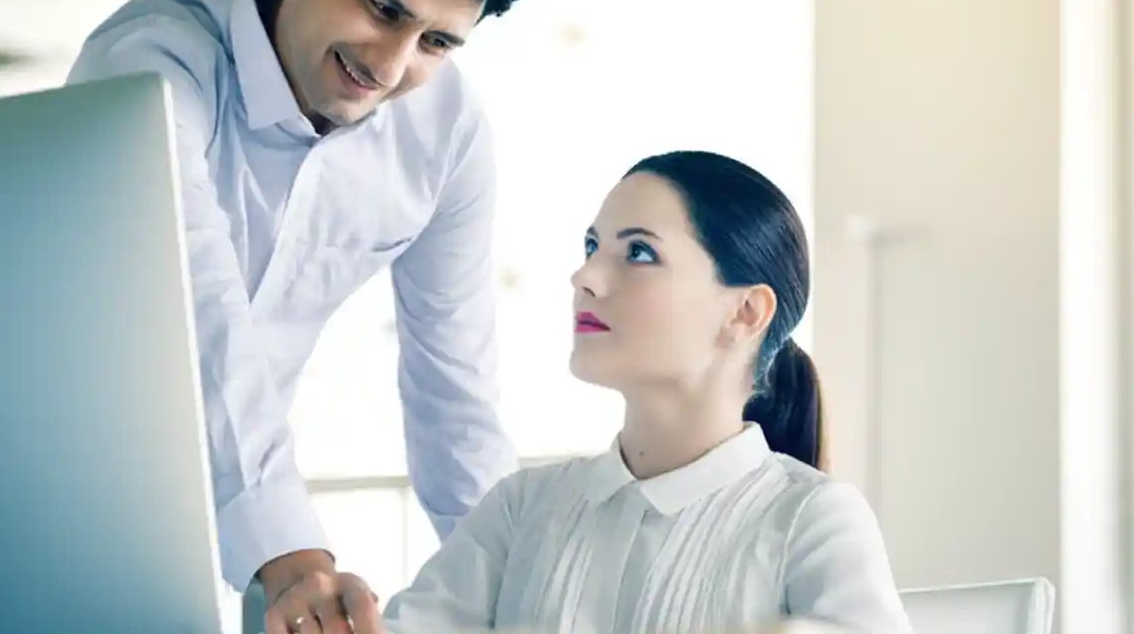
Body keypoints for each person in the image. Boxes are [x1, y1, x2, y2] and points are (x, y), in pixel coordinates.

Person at [65, 0, 529, 631]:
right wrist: (295, 561)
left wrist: (525, 588)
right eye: (383, 10)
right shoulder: (152, 60)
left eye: (436, 42)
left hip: (211, 537)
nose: (392, 67)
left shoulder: (447, 132)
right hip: (48, 486)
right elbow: (194, 313)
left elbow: (456, 389)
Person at [382, 151, 913, 633]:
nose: (585, 276)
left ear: (745, 312)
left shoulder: (812, 520)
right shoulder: (520, 509)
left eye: (638, 252)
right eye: (592, 247)